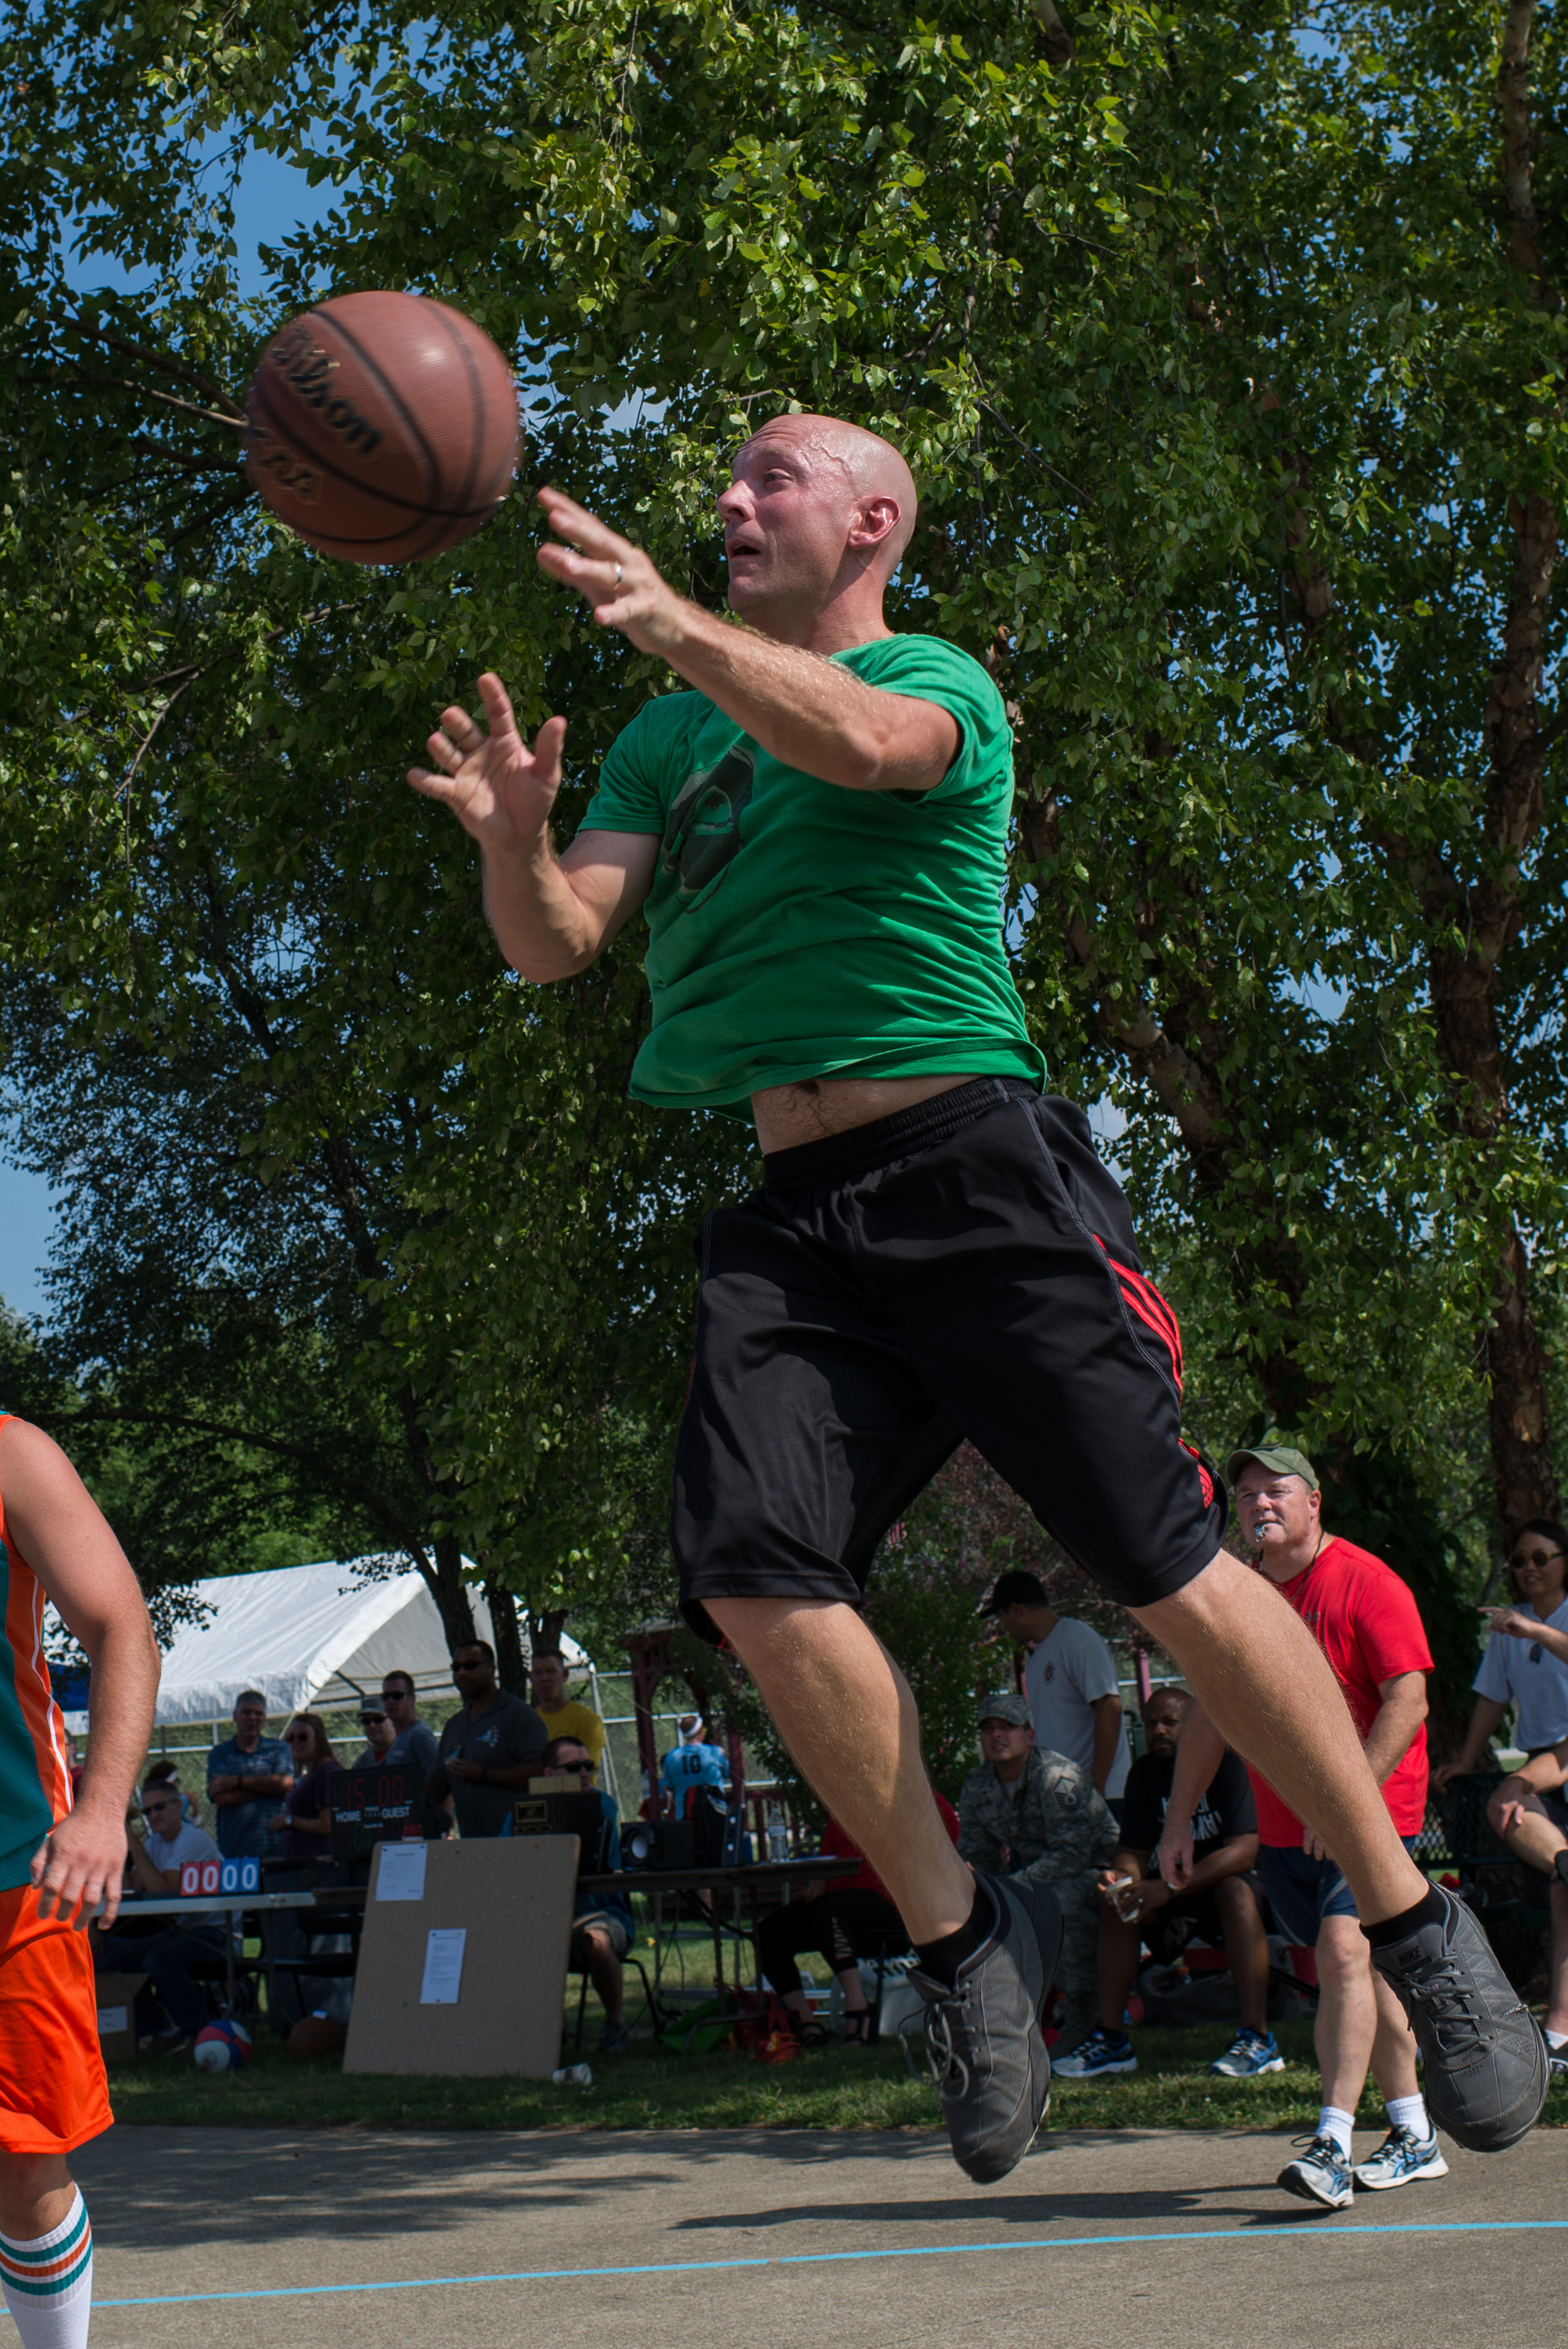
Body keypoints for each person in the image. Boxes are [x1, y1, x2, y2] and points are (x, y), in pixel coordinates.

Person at [408, 410, 1544, 2181]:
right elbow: (555, 942)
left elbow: (861, 743)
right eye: (726, 481)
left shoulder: (936, 679)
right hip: (795, 1214)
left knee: (1162, 1560)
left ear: (868, 520)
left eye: (768, 477)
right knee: (747, 1574)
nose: (727, 500)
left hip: (973, 1162)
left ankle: (1412, 1923)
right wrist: (513, 836)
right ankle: (960, 1948)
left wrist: (666, 625)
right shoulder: (661, 732)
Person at [1166, 1446, 1449, 2207]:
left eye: (1276, 1490)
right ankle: (1415, 2132)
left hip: (1374, 1812)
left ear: (1313, 1501)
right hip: (1289, 1825)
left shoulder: (1366, 1582)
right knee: (1361, 1974)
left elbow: (1408, 1702)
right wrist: (1175, 1821)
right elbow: (1206, 1715)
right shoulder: (1241, 1595)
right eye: (1247, 1492)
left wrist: (1344, 1802)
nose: (1259, 1502)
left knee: (1342, 1953)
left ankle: (1329, 2143)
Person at [0, 1414, 158, 2349]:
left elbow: (120, 1625)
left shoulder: (12, 1453)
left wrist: (100, 1812)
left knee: (23, 2160)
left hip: (18, 1868)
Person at [1055, 1686, 1275, 2081]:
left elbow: (1244, 1850)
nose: (1158, 1731)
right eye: (1151, 1723)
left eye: (1169, 1722)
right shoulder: (1144, 1774)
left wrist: (1167, 1888)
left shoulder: (1226, 1762)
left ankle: (1256, 2037)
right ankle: (1111, 2039)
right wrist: (1123, 1879)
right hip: (1172, 1896)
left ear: (1193, 1723)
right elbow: (1133, 1851)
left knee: (1235, 1891)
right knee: (1120, 1902)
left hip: (1227, 1888)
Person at [1434, 1527, 1568, 2076]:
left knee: (1511, 1794)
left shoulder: (1530, 1624)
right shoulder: (1507, 1631)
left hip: (1556, 1760)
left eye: (1540, 1557)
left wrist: (1533, 1629)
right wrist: (1468, 1757)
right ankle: (1559, 2034)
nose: (1527, 1567)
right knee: (1558, 1880)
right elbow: (1492, 1697)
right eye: (1518, 1559)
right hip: (1545, 1761)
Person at [956, 1695, 1118, 2056]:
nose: (997, 1736)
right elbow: (976, 1854)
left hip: (1099, 1874)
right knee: (973, 1905)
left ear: (1029, 1735)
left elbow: (1073, 1854)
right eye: (988, 1729)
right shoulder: (978, 1785)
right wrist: (975, 1884)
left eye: (1007, 1727)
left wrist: (1010, 1888)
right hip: (1034, 1877)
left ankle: (1084, 2013)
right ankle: (991, 2019)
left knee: (1057, 1903)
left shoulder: (1057, 1777)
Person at [758, 1792, 960, 2046]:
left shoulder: (916, 1794)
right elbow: (826, 1859)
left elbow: (949, 1841)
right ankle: (806, 2023)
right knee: (770, 1931)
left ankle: (857, 2004)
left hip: (891, 1904)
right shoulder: (844, 1802)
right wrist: (817, 1885)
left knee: (830, 1910)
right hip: (835, 1908)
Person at [502, 1736, 634, 2052]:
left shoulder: (601, 1804)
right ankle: (547, 2030)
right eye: (574, 1767)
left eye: (588, 1765)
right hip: (543, 1915)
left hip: (600, 1912)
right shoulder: (524, 1811)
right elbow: (505, 1858)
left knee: (596, 1939)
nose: (585, 1773)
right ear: (549, 1775)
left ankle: (616, 2024)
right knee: (515, 1938)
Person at [92, 1777, 228, 2056]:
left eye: (160, 1807)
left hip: (216, 1934)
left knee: (158, 1959)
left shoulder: (191, 1840)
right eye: (147, 1812)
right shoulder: (156, 1843)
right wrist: (123, 1841)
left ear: (179, 1806)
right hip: (183, 1931)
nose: (153, 1815)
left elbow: (164, 1892)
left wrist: (136, 1846)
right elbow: (130, 1889)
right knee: (112, 1958)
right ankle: (159, 2029)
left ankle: (197, 2031)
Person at [980, 1571, 1132, 1799]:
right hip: (1064, 1797)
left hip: (1106, 1796)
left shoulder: (1078, 1639)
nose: (1005, 1629)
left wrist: (1097, 1783)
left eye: (1003, 1618)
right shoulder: (1038, 1659)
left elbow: (1109, 1706)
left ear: (1016, 1610)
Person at [428, 1642, 548, 1837]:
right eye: (456, 1668)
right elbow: (440, 1785)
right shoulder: (454, 1724)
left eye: (470, 1665)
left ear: (491, 1669)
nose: (462, 1673)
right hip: (472, 1845)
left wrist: (484, 1774)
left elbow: (539, 1770)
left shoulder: (519, 1715)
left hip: (517, 1843)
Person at [206, 1693, 293, 1861]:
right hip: (235, 1851)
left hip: (275, 1848)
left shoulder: (279, 1749)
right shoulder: (220, 1753)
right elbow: (222, 1798)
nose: (252, 1718)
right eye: (246, 1713)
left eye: (258, 1713)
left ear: (265, 1718)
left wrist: (236, 1782)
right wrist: (270, 1788)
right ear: (235, 1716)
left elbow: (286, 1784)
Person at [266, 1716, 338, 1861]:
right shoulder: (310, 1775)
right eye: (291, 1737)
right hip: (301, 1863)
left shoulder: (325, 1771)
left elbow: (328, 1825)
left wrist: (289, 1821)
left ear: (318, 1739)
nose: (296, 1742)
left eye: (303, 1737)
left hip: (318, 1865)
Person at [529, 1649, 607, 1771]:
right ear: (531, 1678)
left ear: (565, 1675)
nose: (544, 1678)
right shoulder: (527, 1722)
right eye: (538, 1673)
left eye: (551, 1672)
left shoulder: (587, 1720)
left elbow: (585, 1773)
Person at [658, 1714, 730, 1816]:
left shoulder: (672, 1757)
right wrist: (719, 1747)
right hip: (716, 1814)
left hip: (685, 1815)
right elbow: (728, 1773)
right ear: (700, 1731)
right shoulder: (715, 1752)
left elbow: (666, 1789)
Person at [378, 1671, 441, 1774]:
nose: (390, 1701)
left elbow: (441, 1778)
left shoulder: (420, 1736)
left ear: (412, 1699)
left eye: (397, 1695)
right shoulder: (401, 1736)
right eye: (386, 1697)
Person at [349, 1704, 397, 1769]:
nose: (372, 1725)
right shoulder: (362, 1762)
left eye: (378, 1720)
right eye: (366, 1721)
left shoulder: (408, 1752)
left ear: (393, 1720)